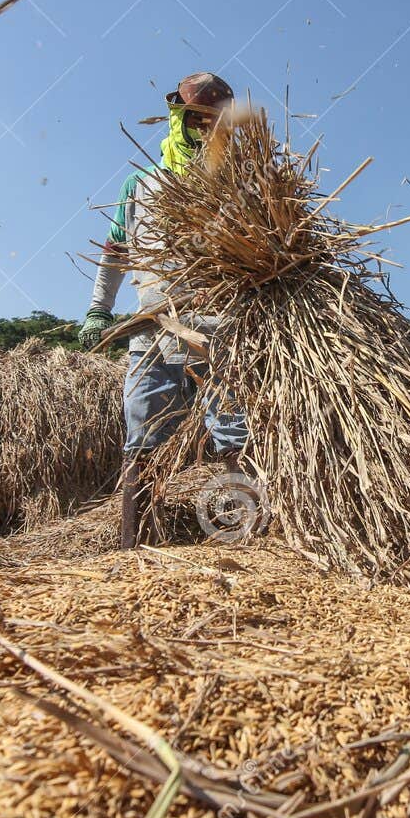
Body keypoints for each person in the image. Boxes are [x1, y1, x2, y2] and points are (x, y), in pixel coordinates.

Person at [79, 72, 250, 549]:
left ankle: (249, 539)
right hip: (154, 328)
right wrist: (98, 310)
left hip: (222, 330)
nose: (204, 130)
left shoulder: (236, 188)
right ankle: (136, 545)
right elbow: (116, 253)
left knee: (236, 430)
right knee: (143, 427)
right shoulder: (141, 185)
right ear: (177, 119)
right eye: (195, 119)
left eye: (213, 123)